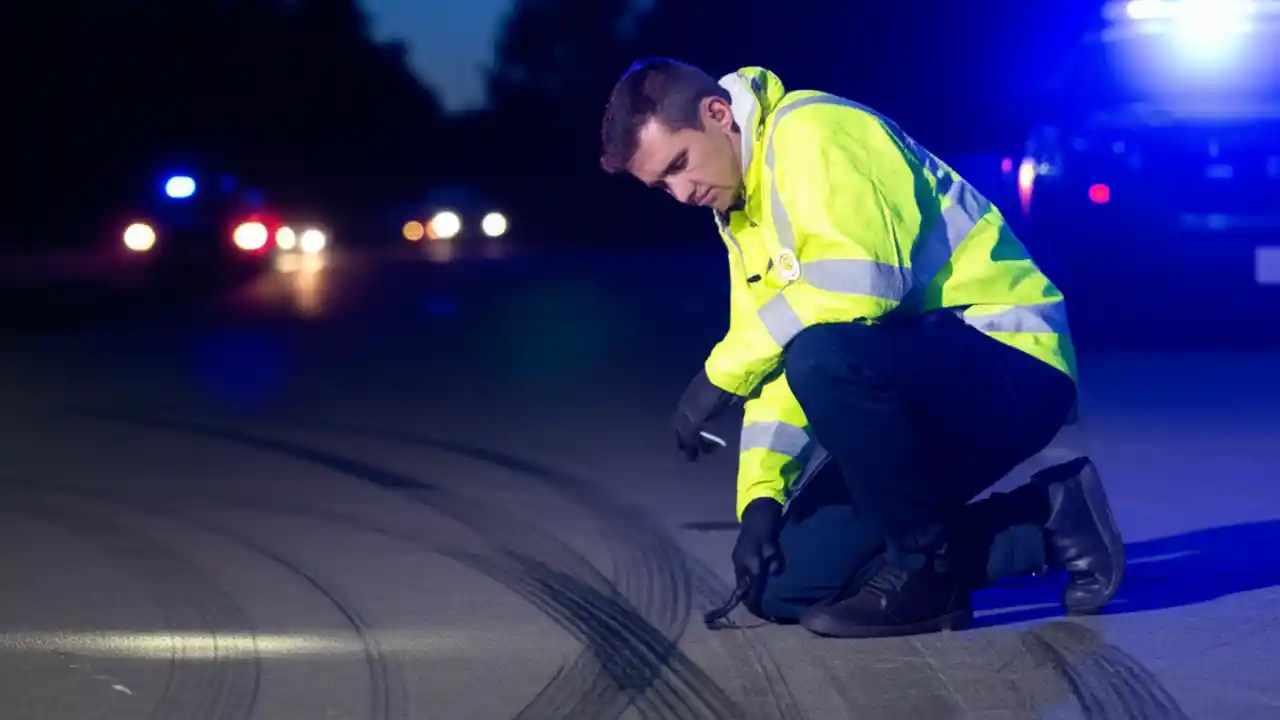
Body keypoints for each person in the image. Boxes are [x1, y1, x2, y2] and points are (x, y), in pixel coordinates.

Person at [598, 59, 1125, 638]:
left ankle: (923, 571)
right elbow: (779, 356)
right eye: (661, 186)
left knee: (824, 357)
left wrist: (719, 374)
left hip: (1011, 357)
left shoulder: (813, 131)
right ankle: (1048, 521)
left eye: (679, 165)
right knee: (785, 583)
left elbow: (858, 288)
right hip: (920, 384)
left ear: (718, 114)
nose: (681, 193)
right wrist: (761, 502)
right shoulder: (741, 216)